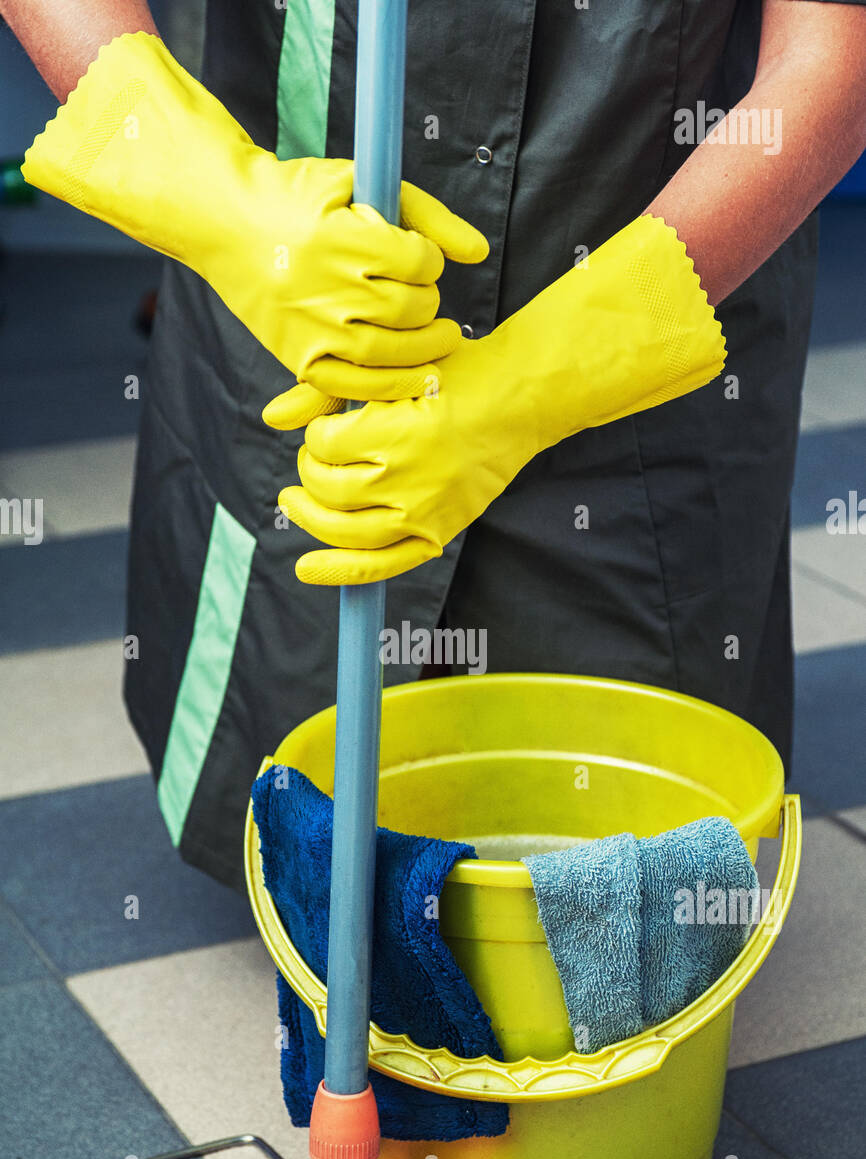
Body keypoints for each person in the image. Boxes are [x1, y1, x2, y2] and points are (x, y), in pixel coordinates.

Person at [6, 0, 866, 894]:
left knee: (614, 888)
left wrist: (536, 384)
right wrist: (209, 193)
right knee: (287, 803)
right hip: (290, 286)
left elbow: (831, 59)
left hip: (648, 296)